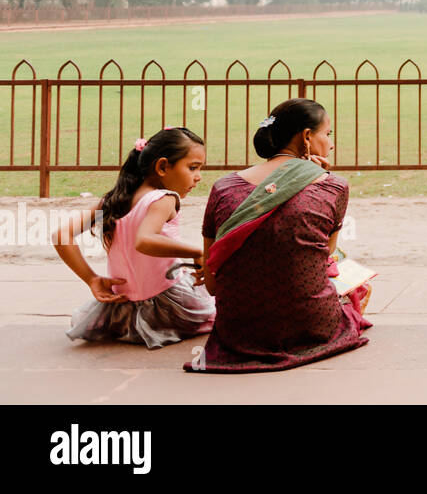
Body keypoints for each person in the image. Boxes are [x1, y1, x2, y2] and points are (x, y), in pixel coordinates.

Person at [186, 98, 370, 373]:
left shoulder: (223, 188)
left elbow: (212, 286)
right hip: (311, 326)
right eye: (327, 134)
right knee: (358, 285)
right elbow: (325, 258)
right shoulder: (333, 187)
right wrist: (317, 173)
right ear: (307, 137)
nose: (331, 144)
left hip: (239, 332)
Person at [55, 127, 215, 349]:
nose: (198, 177)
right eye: (193, 167)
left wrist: (91, 278)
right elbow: (144, 240)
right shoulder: (164, 199)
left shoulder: (112, 200)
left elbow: (60, 235)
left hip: (121, 313)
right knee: (226, 306)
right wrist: (197, 252)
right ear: (162, 166)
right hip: (167, 310)